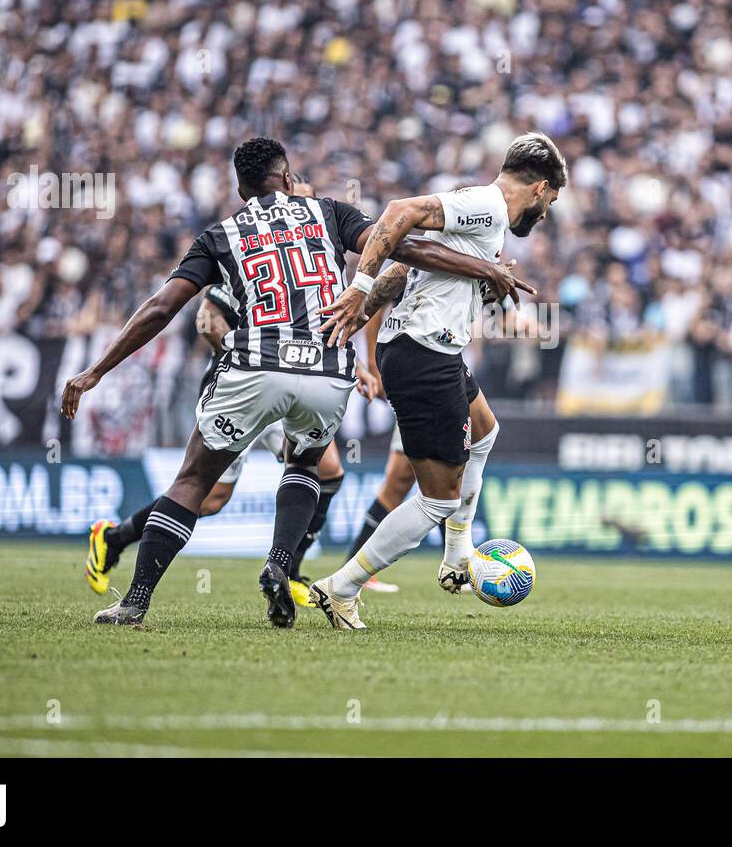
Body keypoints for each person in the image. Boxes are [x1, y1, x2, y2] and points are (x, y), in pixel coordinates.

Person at [62, 137, 529, 627]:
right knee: (308, 464)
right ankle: (280, 568)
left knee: (195, 480)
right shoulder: (330, 212)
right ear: (288, 177)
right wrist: (483, 267)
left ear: (241, 188)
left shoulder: (222, 234)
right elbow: (403, 245)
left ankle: (134, 601)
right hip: (326, 370)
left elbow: (162, 307)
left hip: (255, 365)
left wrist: (96, 370)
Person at [307, 131, 564, 630]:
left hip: (426, 348)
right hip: (424, 355)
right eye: (550, 202)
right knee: (436, 499)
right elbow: (399, 212)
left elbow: (410, 268)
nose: (546, 213)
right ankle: (341, 588)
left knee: (485, 431)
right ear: (538, 189)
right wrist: (359, 288)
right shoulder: (487, 207)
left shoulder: (480, 221)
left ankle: (456, 553)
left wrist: (366, 307)